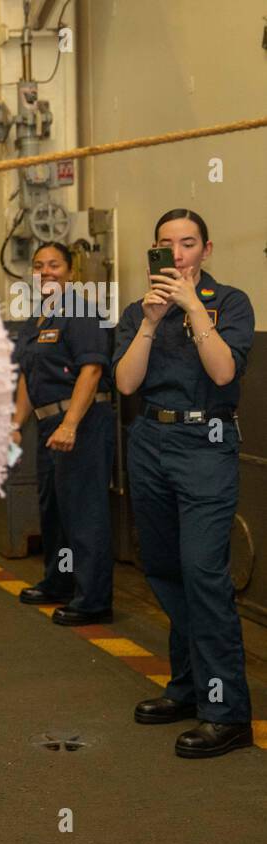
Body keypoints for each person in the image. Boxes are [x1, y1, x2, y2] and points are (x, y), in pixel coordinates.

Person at [113, 209, 255, 758]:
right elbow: (126, 382)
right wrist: (150, 322)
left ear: (206, 250)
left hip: (205, 443)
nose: (177, 254)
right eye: (166, 244)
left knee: (202, 572)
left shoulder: (231, 302)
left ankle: (226, 711)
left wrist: (194, 306)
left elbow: (223, 372)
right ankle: (190, 686)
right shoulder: (138, 311)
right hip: (150, 439)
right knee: (165, 567)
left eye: (188, 243)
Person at [10, 241, 116, 626]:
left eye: (54, 264)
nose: (46, 271)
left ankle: (93, 600)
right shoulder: (39, 318)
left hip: (82, 422)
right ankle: (60, 581)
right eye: (39, 266)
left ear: (71, 271)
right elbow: (27, 374)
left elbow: (92, 370)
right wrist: (15, 424)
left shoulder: (82, 312)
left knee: (84, 510)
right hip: (47, 423)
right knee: (53, 508)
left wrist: (71, 423)